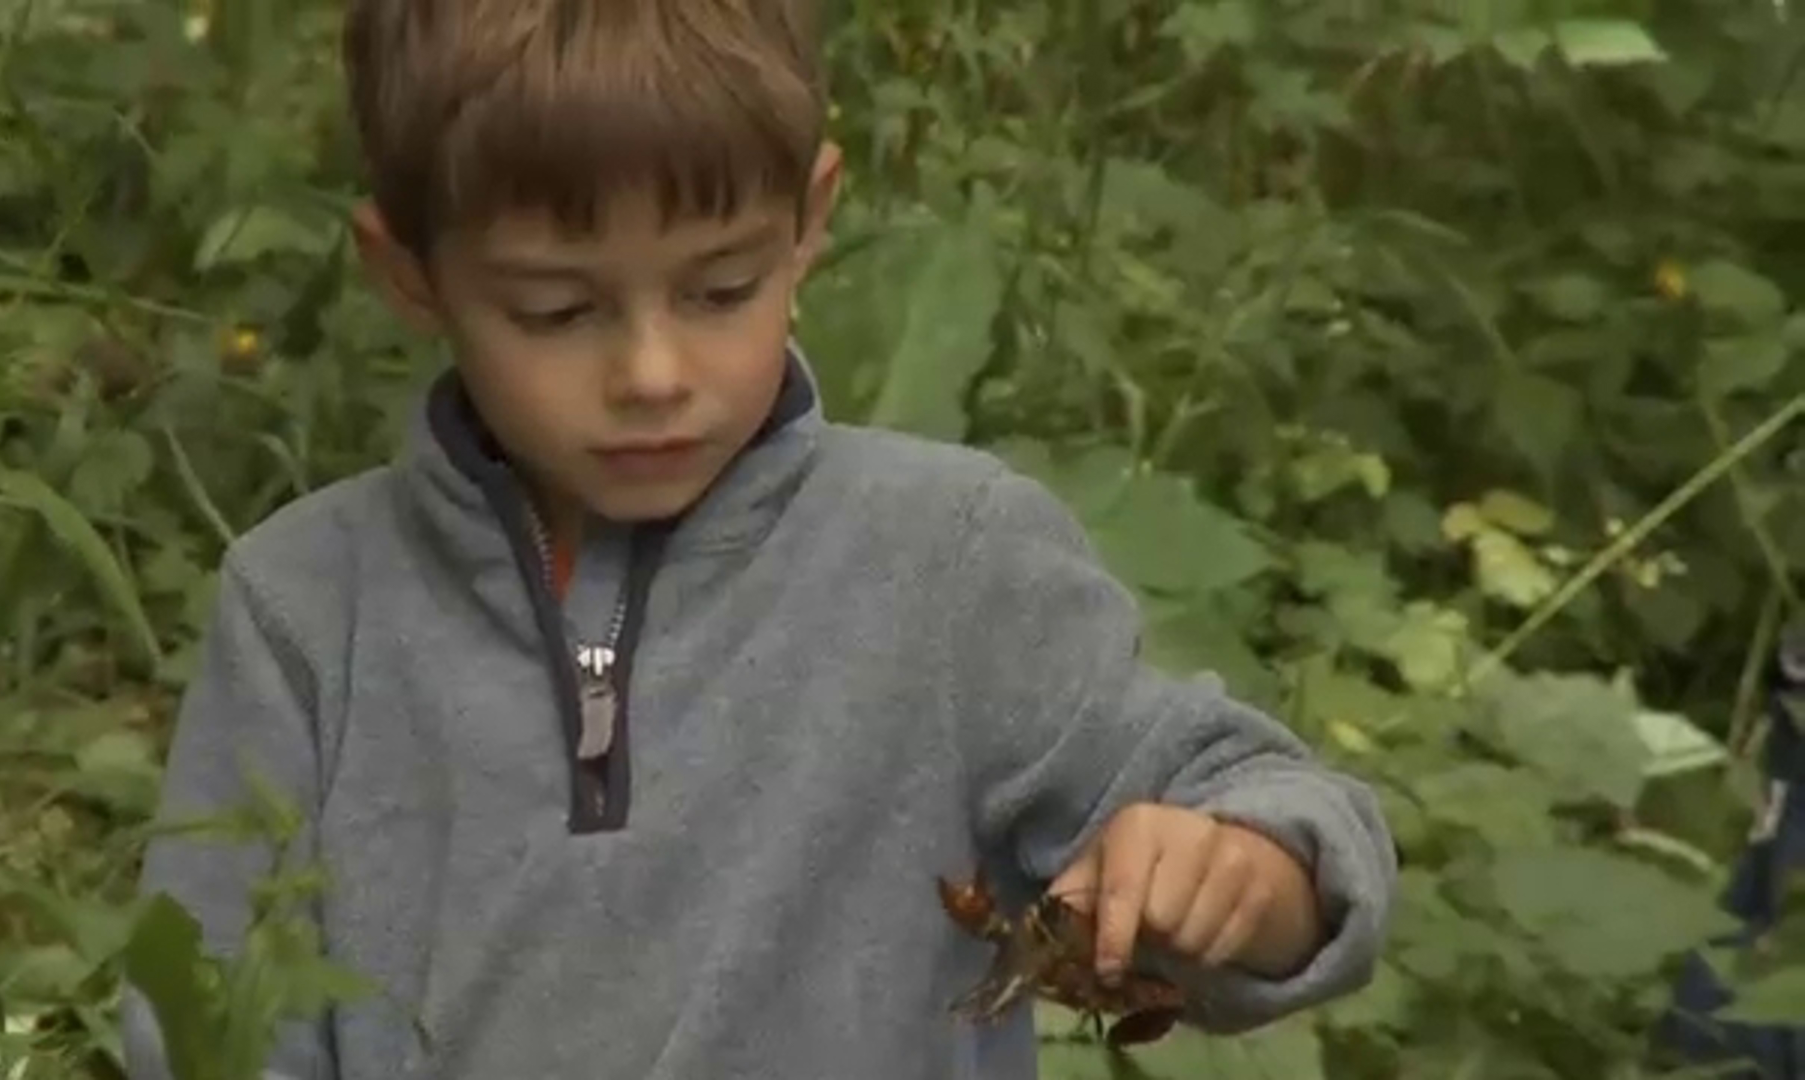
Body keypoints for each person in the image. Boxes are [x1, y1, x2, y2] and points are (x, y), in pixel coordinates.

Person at [122, 1, 1399, 1078]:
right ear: (409, 274)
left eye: (719, 288)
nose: (652, 371)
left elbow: (1275, 820)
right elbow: (206, 1026)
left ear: (809, 220)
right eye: (556, 309)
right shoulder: (307, 608)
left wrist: (1239, 873)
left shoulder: (949, 560)